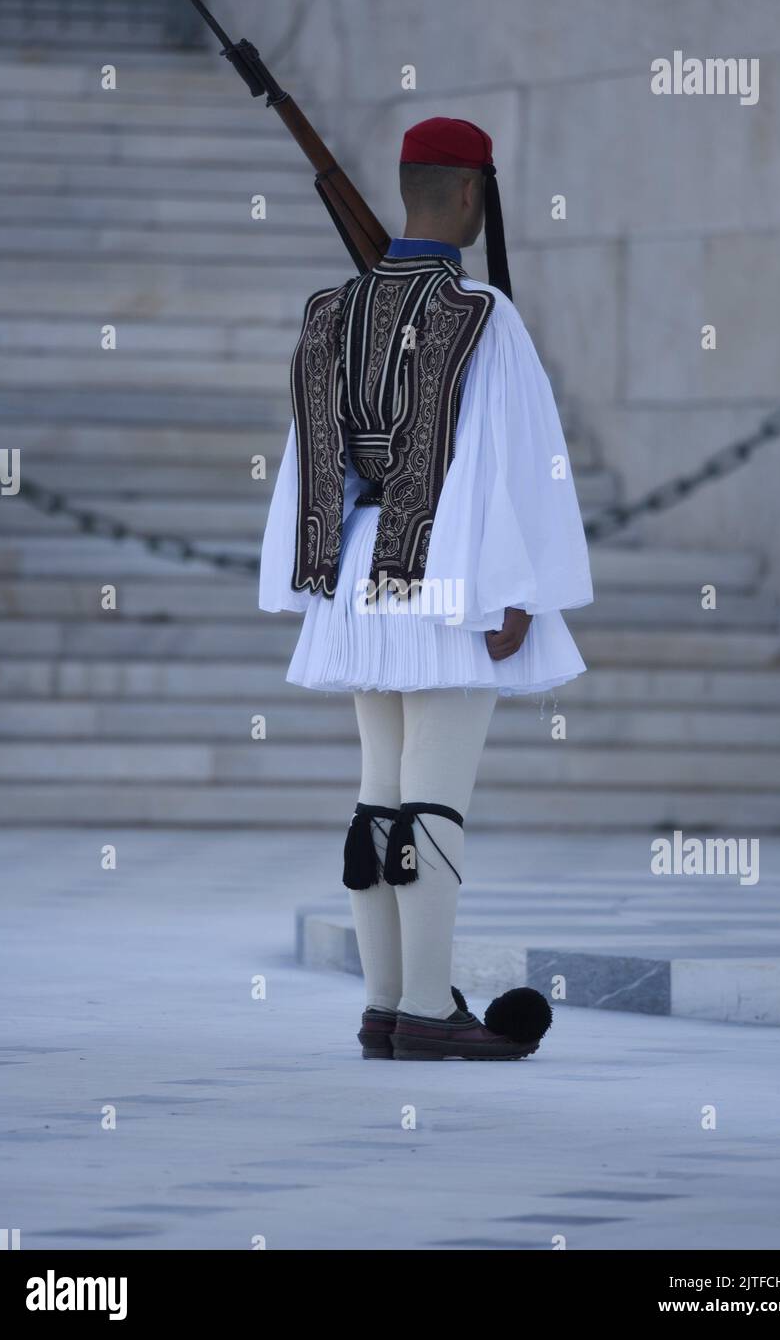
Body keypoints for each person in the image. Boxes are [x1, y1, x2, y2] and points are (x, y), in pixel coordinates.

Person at [259, 117, 593, 1060]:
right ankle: (428, 1015)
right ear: (471, 197)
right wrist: (515, 590)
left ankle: (384, 1005)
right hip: (448, 577)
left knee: (378, 799)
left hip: (354, 578)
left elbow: (311, 460)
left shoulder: (330, 309)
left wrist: (314, 577)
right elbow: (514, 460)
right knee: (433, 801)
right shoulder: (481, 312)